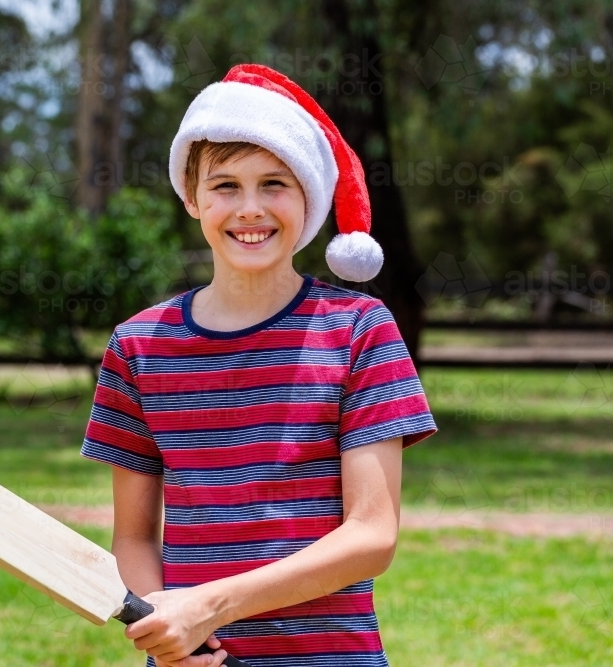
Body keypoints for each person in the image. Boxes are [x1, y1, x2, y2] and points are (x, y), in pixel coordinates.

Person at [79, 63, 438, 667]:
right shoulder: (138, 346)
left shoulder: (359, 330)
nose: (250, 208)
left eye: (275, 183)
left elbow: (372, 536)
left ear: (310, 198)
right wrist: (161, 623)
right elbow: (135, 536)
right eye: (225, 186)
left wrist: (208, 607)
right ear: (192, 197)